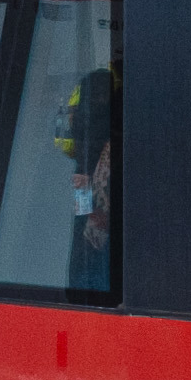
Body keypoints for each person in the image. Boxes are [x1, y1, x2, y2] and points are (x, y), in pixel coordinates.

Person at [54, 61, 118, 296]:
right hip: (97, 230)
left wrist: (88, 211)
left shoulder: (90, 141)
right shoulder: (103, 141)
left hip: (94, 230)